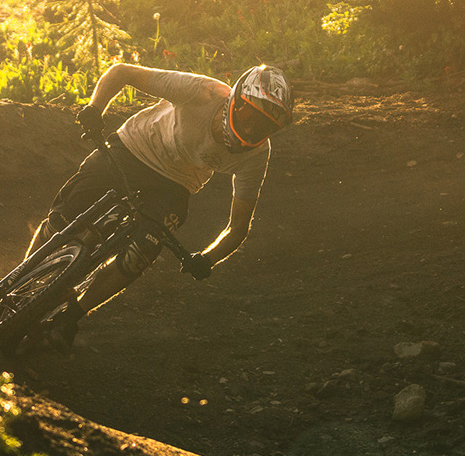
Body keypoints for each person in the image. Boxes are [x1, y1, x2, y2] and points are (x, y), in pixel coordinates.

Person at [25, 62, 293, 350]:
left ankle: (71, 316)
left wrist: (208, 258)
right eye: (250, 115)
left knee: (141, 253)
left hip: (175, 185)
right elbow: (121, 72)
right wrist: (95, 109)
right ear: (235, 99)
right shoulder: (202, 91)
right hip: (133, 147)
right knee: (65, 215)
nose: (253, 128)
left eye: (265, 125)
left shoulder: (257, 155)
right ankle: (23, 276)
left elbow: (238, 227)